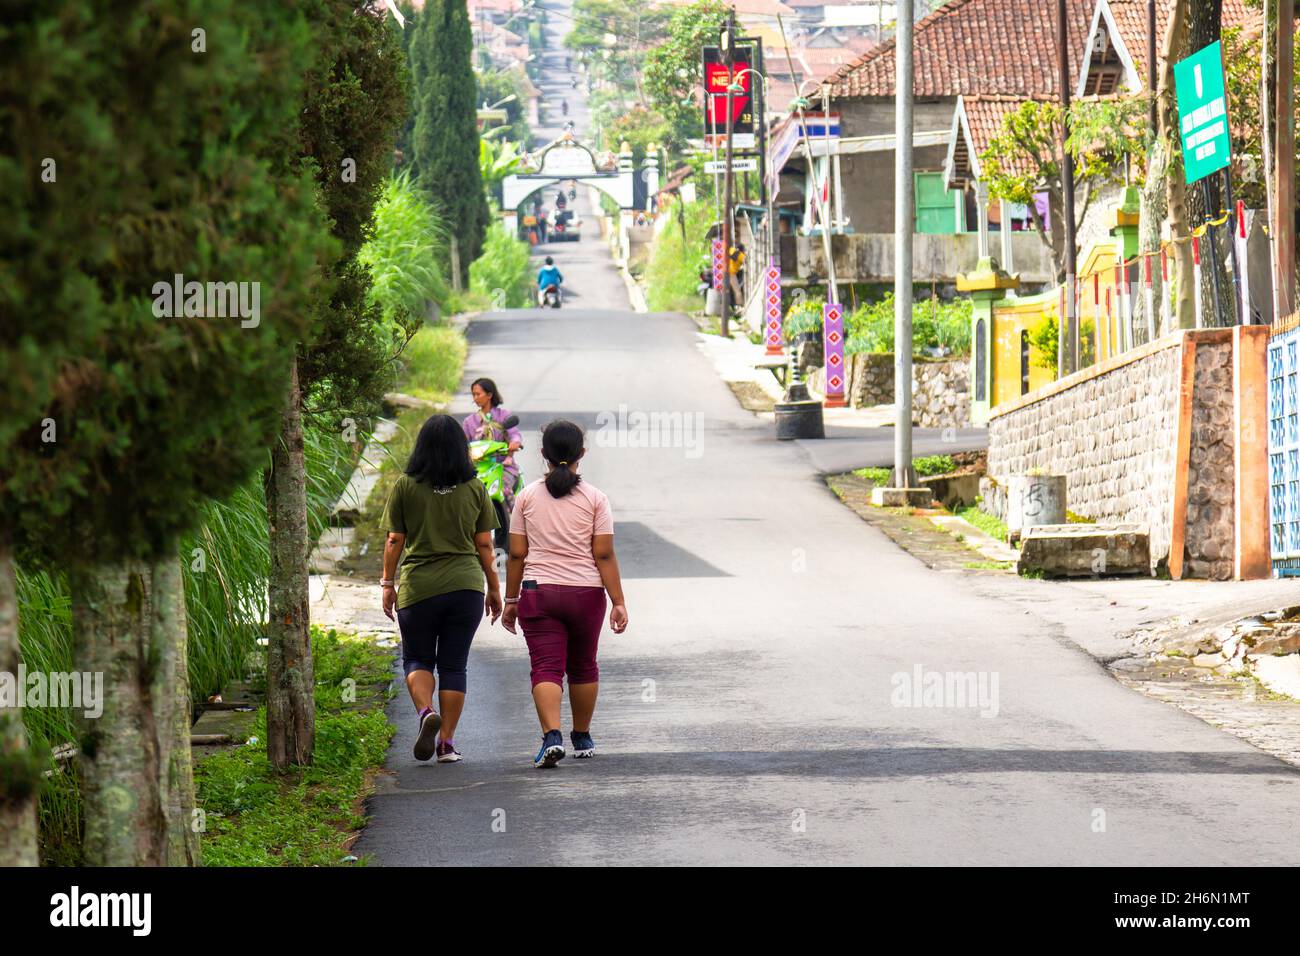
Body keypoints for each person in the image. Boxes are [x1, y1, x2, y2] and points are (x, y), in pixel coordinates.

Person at [502, 420, 628, 768]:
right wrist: (618, 601)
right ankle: (582, 736)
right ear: (581, 455)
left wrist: (510, 601)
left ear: (542, 454)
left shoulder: (526, 496)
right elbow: (603, 554)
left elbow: (516, 554)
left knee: (546, 667)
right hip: (586, 594)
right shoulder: (595, 499)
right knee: (583, 664)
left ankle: (552, 736)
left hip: (538, 592)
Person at [382, 415, 503, 764]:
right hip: (465, 587)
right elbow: (484, 545)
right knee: (454, 665)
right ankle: (446, 743)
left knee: (418, 657)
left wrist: (388, 584)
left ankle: (424, 713)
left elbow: (394, 540)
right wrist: (494, 590)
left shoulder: (405, 486)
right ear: (460, 449)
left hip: (419, 587)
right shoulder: (475, 488)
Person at [461, 377, 523, 512]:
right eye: (473, 394)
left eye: (478, 394)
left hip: (503, 465)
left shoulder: (504, 416)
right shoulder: (469, 422)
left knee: (504, 487)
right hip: (477, 467)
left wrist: (514, 442)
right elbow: (463, 443)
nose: (475, 398)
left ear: (489, 395)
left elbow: (514, 433)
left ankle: (515, 519)